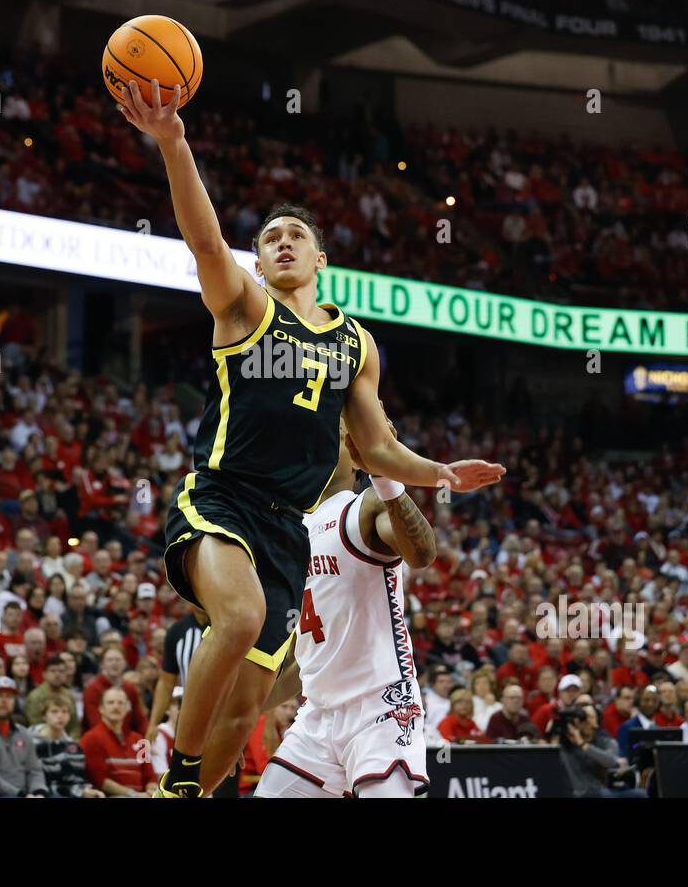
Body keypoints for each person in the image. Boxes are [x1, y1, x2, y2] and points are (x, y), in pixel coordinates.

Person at [121, 74, 504, 798]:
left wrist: (442, 472)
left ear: (321, 260)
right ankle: (179, 778)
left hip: (287, 528)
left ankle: (204, 784)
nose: (284, 242)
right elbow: (204, 240)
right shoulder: (242, 307)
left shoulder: (355, 342)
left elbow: (377, 448)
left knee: (247, 706)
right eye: (270, 238)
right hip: (223, 496)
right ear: (258, 262)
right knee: (237, 617)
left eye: (298, 235)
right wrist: (173, 142)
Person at [254, 430, 438, 798]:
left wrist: (385, 477)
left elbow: (422, 554)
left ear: (355, 453)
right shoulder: (292, 532)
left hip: (380, 708)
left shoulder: (363, 506)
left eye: (333, 435)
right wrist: (239, 721)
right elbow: (303, 667)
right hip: (318, 715)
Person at [80, 685, 156, 797]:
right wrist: (134, 795)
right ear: (101, 708)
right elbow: (100, 781)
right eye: (111, 703)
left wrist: (152, 791)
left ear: (127, 709)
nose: (116, 707)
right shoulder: (91, 739)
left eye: (120, 703)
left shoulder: (139, 740)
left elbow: (150, 777)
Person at [32, 697, 103, 798]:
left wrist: (85, 790)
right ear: (44, 716)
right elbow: (39, 779)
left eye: (65, 712)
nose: (60, 716)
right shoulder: (31, 742)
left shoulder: (72, 746)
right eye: (54, 711)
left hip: (68, 793)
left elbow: (76, 778)